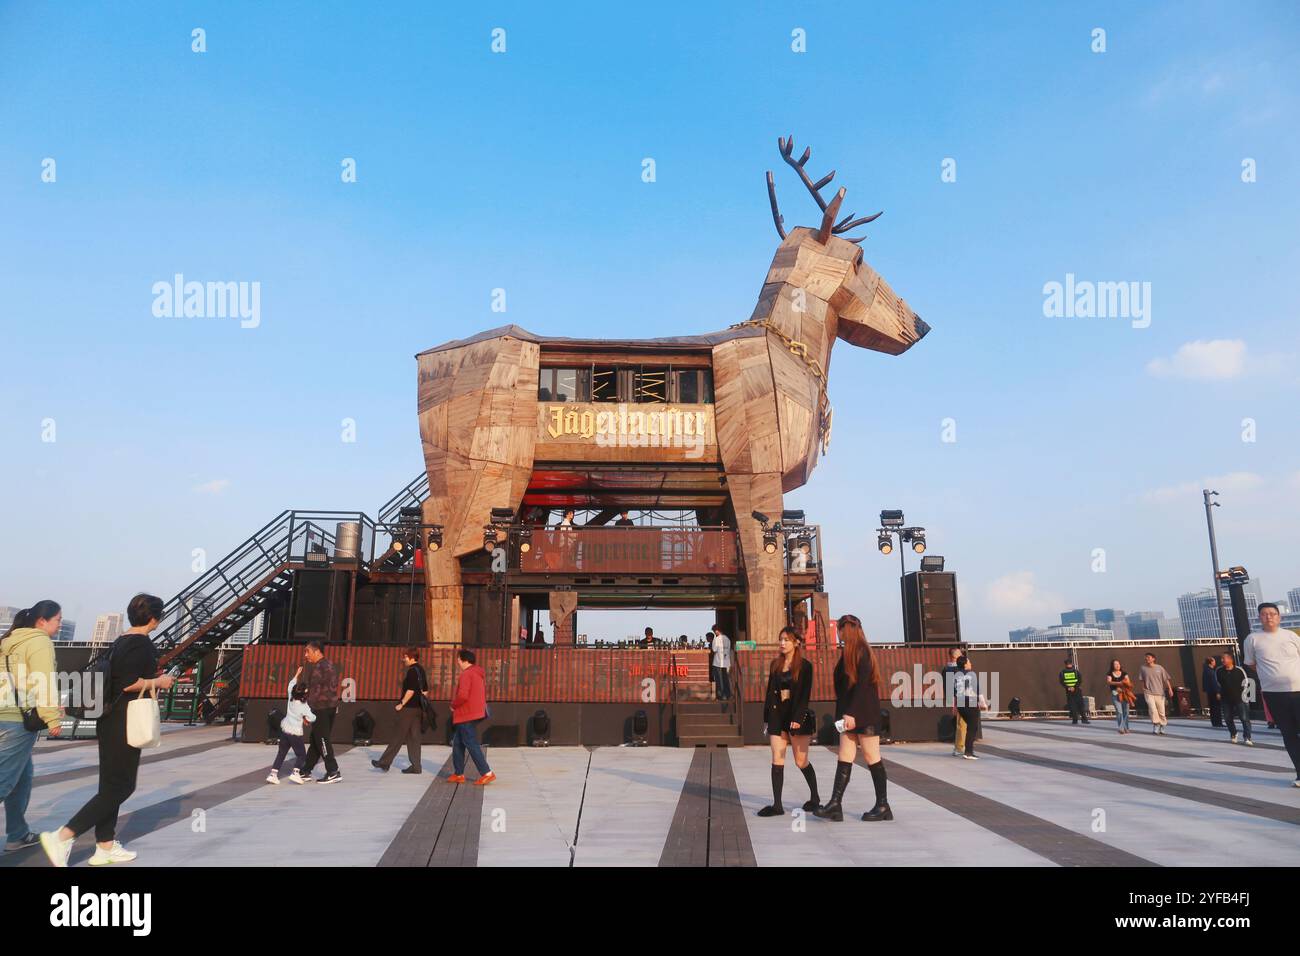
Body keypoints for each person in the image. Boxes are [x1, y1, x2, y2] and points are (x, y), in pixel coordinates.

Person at [40, 593, 175, 867]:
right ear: (154, 619)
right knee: (122, 786)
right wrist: (160, 682)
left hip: (111, 718)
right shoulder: (141, 644)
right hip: (124, 720)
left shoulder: (121, 641)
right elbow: (128, 683)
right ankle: (63, 836)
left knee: (110, 784)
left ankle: (105, 846)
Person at [816, 614, 892, 822]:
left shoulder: (862, 652)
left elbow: (862, 687)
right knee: (844, 756)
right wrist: (843, 715)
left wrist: (851, 713)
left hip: (864, 714)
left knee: (871, 756)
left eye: (839, 630)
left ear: (845, 630)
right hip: (848, 714)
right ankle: (835, 804)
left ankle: (883, 805)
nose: (838, 634)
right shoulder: (848, 653)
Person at [1, 602, 63, 853]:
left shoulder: (9, 641)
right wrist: (52, 718)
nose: (59, 625)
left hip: (5, 714)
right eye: (57, 619)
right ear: (42, 621)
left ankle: (17, 834)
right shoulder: (39, 641)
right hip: (18, 720)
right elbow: (43, 680)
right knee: (4, 780)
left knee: (22, 779)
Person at [756, 627, 820, 816]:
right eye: (781, 639)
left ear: (796, 642)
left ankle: (815, 798)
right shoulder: (775, 664)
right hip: (777, 717)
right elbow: (770, 693)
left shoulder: (805, 666)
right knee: (777, 758)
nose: (782, 643)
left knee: (801, 761)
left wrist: (798, 718)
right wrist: (766, 718)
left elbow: (804, 695)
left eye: (786, 640)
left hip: (796, 718)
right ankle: (777, 805)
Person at [1242, 603, 1300, 786]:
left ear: (1279, 617)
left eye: (1273, 614)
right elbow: (1251, 664)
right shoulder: (1252, 639)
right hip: (1273, 693)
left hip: (1298, 690)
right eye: (1264, 614)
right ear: (1259, 617)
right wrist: (1271, 675)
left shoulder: (1291, 636)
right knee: (1289, 733)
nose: (1269, 617)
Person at [372, 649, 428, 775]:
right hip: (418, 709)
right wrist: (421, 704)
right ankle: (416, 767)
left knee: (398, 736)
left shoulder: (412, 671)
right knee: (414, 738)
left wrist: (402, 704)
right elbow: (425, 691)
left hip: (408, 709)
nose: (403, 659)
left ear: (412, 658)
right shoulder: (421, 670)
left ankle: (384, 762)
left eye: (405, 657)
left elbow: (411, 690)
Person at [297, 641, 341, 784]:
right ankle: (306, 770)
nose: (306, 655)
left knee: (322, 740)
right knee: (316, 739)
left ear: (317, 651)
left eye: (307, 652)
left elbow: (314, 693)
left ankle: (333, 771)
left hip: (320, 708)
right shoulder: (330, 664)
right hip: (331, 707)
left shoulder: (318, 668)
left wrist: (306, 713)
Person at [448, 649, 495, 785]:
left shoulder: (466, 674)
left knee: (470, 743)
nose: (457, 662)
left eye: (458, 659)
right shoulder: (477, 673)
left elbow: (463, 695)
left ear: (465, 660)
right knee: (458, 743)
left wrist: (453, 705)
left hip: (466, 713)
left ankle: (487, 773)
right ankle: (459, 773)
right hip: (476, 712)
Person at [269, 680, 315, 784]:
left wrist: (296, 675)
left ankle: (273, 774)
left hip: (285, 731)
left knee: (281, 753)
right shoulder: (304, 706)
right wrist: (306, 717)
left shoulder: (291, 698)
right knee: (301, 755)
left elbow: (290, 685)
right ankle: (295, 773)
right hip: (295, 734)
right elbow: (312, 718)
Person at [953, 655, 987, 759]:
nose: (970, 663)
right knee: (972, 728)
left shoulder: (956, 675)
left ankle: (966, 750)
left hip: (960, 703)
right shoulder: (971, 674)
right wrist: (983, 703)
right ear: (965, 664)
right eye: (969, 662)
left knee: (970, 727)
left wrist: (955, 705)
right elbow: (977, 689)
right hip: (970, 702)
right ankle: (968, 752)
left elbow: (954, 691)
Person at [1216, 651, 1252, 746]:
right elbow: (1217, 683)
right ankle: (1233, 733)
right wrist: (1218, 692)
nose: (1222, 660)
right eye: (1222, 659)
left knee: (1244, 718)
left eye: (1224, 658)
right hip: (1226, 698)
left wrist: (1245, 696)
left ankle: (1247, 737)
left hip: (1240, 698)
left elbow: (1246, 682)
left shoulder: (1239, 670)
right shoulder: (1219, 671)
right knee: (1227, 718)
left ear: (1230, 659)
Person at [1139, 652, 1174, 735]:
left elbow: (1166, 679)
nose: (1147, 658)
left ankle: (1162, 725)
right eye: (1146, 657)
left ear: (1153, 659)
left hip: (1160, 693)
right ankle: (1156, 724)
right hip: (1149, 693)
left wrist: (1170, 689)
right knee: (1152, 709)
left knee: (1161, 711)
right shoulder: (1143, 668)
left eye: (1148, 657)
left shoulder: (1160, 668)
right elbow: (1141, 679)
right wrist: (1143, 688)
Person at [942, 646, 967, 756]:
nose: (962, 656)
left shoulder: (956, 668)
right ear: (954, 657)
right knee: (961, 724)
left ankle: (960, 746)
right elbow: (949, 688)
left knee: (963, 724)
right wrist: (954, 703)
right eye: (960, 655)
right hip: (959, 699)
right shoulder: (949, 670)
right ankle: (959, 747)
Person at [1104, 659, 1135, 734]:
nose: (1117, 665)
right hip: (1115, 694)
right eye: (1115, 664)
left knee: (1126, 711)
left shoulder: (1124, 673)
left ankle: (1126, 727)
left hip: (1125, 694)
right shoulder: (1110, 674)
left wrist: (1123, 685)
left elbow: (1128, 682)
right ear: (1112, 666)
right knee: (1119, 711)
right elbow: (1109, 682)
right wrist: (1118, 683)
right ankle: (1121, 728)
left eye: (1118, 664)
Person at [1059, 656, 1089, 724]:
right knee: (1074, 706)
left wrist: (1072, 687)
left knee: (1079, 705)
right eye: (1068, 664)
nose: (1069, 665)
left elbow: (1079, 680)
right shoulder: (1072, 671)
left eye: (1069, 663)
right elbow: (1062, 681)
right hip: (1072, 690)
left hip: (1075, 690)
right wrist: (1069, 687)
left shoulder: (1069, 672)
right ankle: (1078, 719)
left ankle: (1081, 719)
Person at [710, 624, 732, 701]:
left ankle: (721, 696)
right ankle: (727, 695)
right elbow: (728, 649)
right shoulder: (727, 639)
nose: (714, 632)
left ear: (716, 630)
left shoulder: (716, 639)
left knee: (719, 680)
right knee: (725, 679)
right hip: (726, 662)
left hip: (718, 662)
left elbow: (714, 649)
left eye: (714, 631)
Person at [1202, 655, 1223, 727]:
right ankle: (1218, 722)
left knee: (1212, 707)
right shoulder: (1211, 671)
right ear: (1211, 662)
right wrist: (1217, 692)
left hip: (1209, 691)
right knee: (1216, 707)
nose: (1215, 662)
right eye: (1214, 661)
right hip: (1214, 691)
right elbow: (1214, 682)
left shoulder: (1205, 670)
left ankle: (1214, 722)